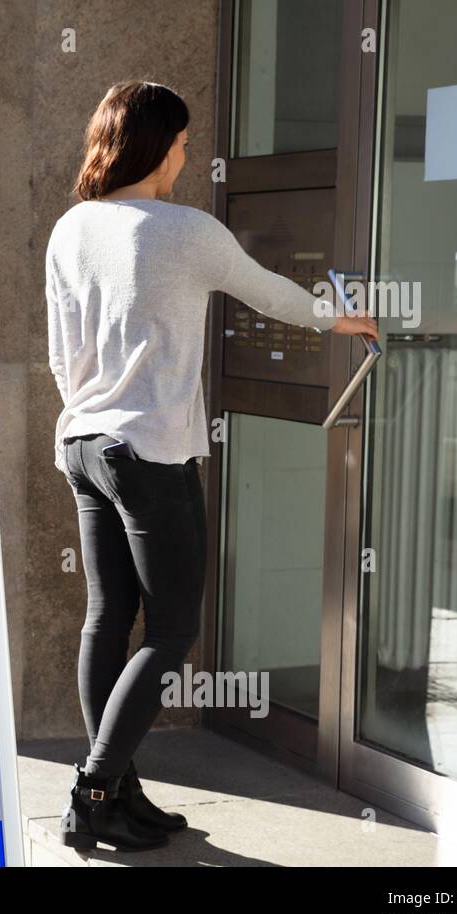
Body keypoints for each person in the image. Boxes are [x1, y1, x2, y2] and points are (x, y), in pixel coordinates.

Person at [45, 81, 377, 852]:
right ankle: (94, 790)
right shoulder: (183, 230)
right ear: (160, 147)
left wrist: (96, 410)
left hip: (83, 445)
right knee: (171, 629)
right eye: (184, 144)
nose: (187, 156)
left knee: (107, 619)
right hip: (149, 452)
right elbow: (269, 294)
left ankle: (121, 795)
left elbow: (62, 352)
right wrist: (341, 316)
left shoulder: (72, 229)